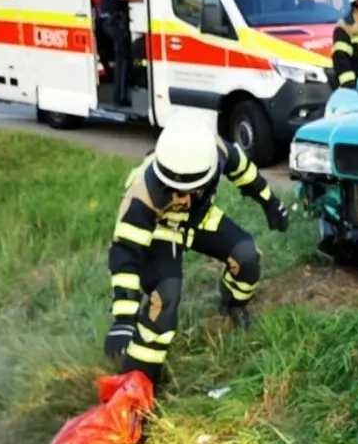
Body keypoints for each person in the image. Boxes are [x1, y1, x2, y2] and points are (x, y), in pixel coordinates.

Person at [103, 119, 290, 386]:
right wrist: (124, 318)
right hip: (161, 230)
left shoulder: (217, 152)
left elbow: (245, 172)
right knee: (164, 302)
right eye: (172, 189)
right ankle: (137, 384)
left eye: (187, 190)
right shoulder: (142, 195)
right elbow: (126, 255)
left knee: (247, 256)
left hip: (199, 220)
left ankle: (232, 305)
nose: (178, 196)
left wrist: (270, 201)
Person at [102, 0, 143, 107]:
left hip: (109, 22)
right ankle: (120, 98)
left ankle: (120, 96)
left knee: (122, 60)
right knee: (124, 60)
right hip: (116, 24)